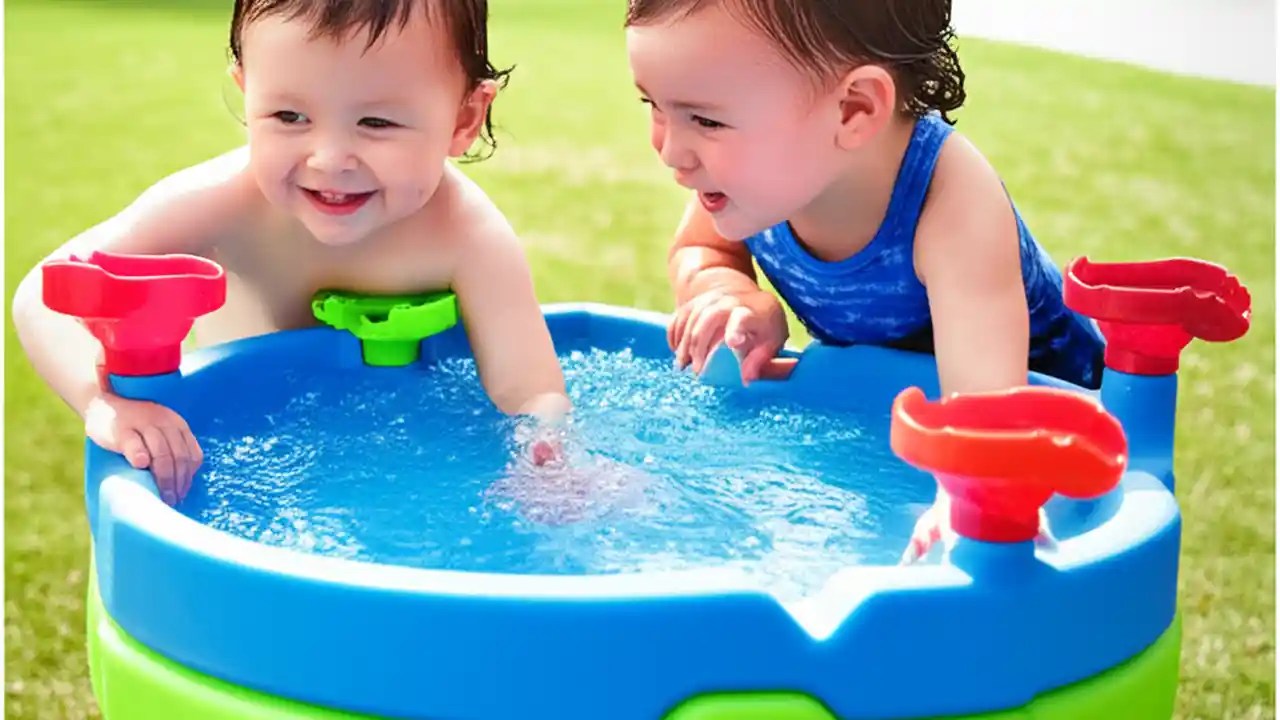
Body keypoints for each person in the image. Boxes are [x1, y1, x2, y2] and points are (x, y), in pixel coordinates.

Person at [12, 0, 570, 507]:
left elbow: (529, 387)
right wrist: (101, 403)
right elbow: (45, 293)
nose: (328, 159)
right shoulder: (221, 204)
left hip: (393, 474)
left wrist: (541, 450)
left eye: (376, 122)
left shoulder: (466, 235)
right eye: (288, 117)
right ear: (246, 90)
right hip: (245, 468)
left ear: (464, 119)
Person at [624, 0, 1099, 561]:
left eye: (705, 121)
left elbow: (985, 403)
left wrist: (970, 491)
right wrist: (727, 294)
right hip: (881, 407)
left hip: (1045, 426)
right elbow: (703, 249)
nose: (670, 151)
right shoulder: (755, 184)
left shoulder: (949, 200)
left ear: (853, 109)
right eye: (655, 106)